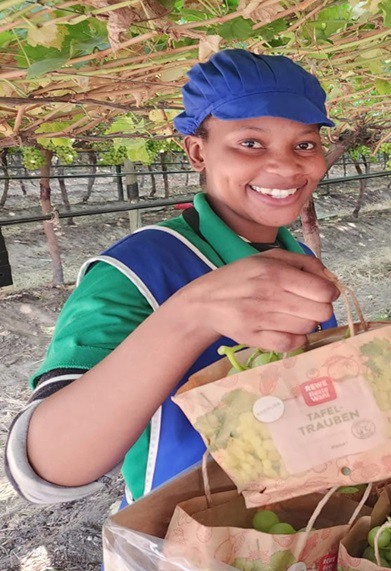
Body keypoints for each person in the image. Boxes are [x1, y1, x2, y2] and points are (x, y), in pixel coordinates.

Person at [4, 49, 341, 511]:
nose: (286, 166)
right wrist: (189, 315)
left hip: (305, 531)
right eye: (250, 143)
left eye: (304, 144)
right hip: (180, 559)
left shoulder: (296, 257)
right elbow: (46, 470)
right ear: (197, 151)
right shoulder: (135, 271)